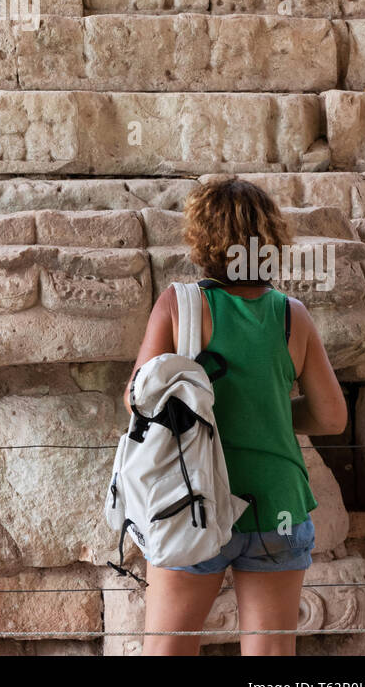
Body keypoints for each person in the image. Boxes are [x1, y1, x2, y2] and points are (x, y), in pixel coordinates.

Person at [126, 177, 347, 657]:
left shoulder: (180, 305)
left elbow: (137, 400)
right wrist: (268, 413)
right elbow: (331, 417)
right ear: (270, 240)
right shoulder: (292, 315)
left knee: (168, 650)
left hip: (193, 500)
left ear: (202, 238)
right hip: (277, 503)